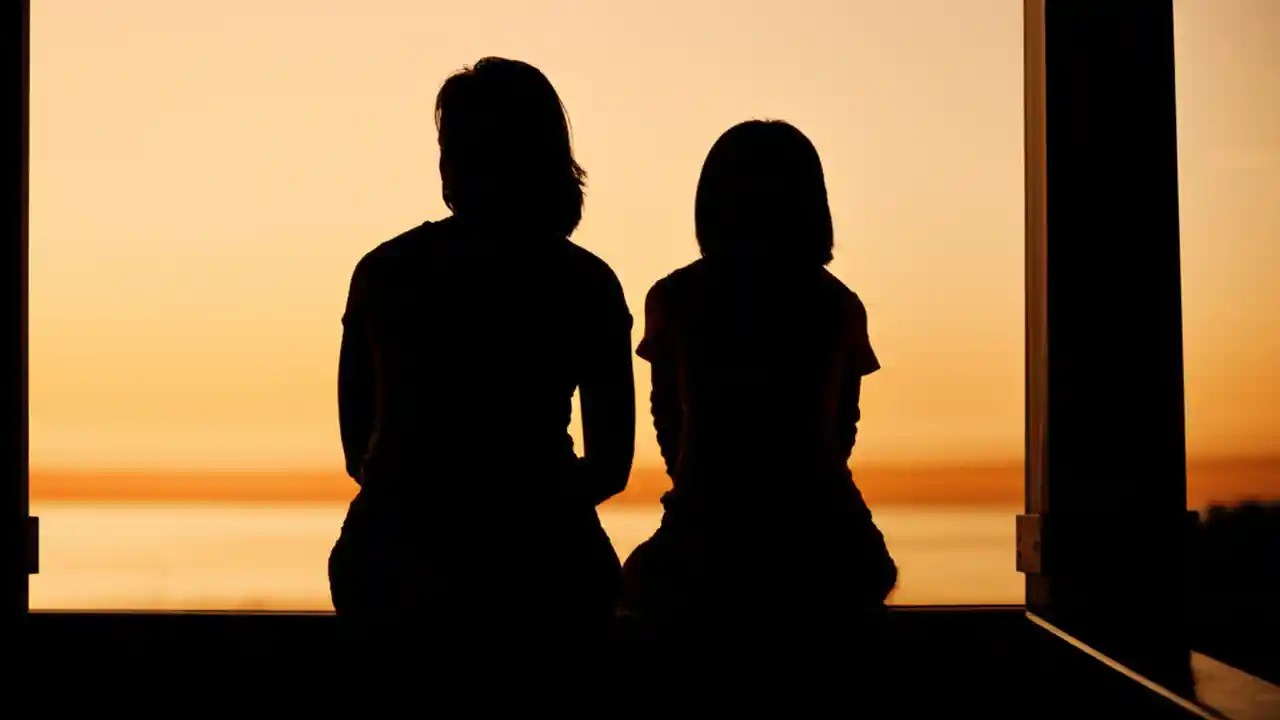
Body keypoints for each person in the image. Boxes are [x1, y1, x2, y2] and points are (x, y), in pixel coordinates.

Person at [328, 57, 635, 655]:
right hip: (548, 566)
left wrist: (424, 506)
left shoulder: (385, 272)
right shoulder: (586, 283)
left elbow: (356, 449)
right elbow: (610, 466)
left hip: (389, 565)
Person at [621, 120, 897, 661]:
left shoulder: (674, 298)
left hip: (702, 535)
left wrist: (708, 490)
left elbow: (667, 422)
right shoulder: (837, 303)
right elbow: (842, 429)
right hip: (826, 539)